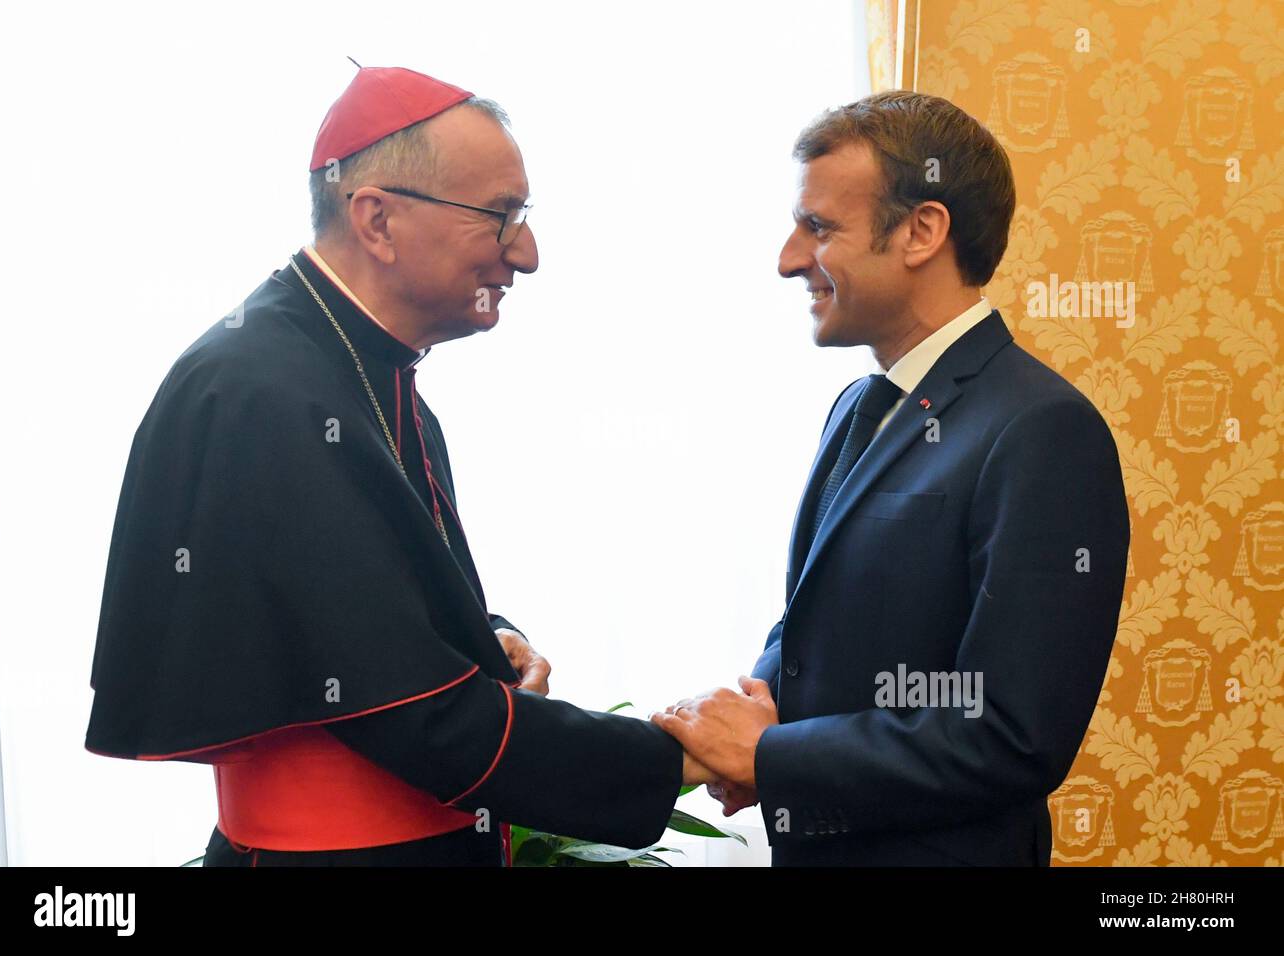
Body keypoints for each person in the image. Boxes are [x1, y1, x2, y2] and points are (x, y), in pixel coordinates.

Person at [85, 64, 711, 867]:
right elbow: (409, 713)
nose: (527, 253)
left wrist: (487, 639)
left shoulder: (353, 367)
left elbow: (357, 618)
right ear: (377, 220)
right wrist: (678, 755)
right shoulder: (261, 392)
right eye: (500, 216)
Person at [654, 91, 1130, 866]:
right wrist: (750, 714)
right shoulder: (857, 406)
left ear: (922, 232)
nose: (788, 259)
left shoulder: (1043, 430)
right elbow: (819, 619)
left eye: (818, 228)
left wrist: (773, 759)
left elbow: (1010, 732)